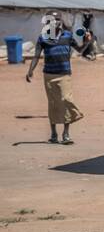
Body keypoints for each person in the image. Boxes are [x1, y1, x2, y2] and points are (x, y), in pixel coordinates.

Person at [24, 11, 84, 144]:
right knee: (53, 104)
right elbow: (36, 56)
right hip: (49, 75)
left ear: (61, 21)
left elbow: (80, 49)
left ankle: (66, 133)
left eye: (57, 19)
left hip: (64, 74)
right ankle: (54, 134)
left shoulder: (67, 35)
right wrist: (30, 71)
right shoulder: (43, 38)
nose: (55, 22)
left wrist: (87, 41)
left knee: (66, 99)